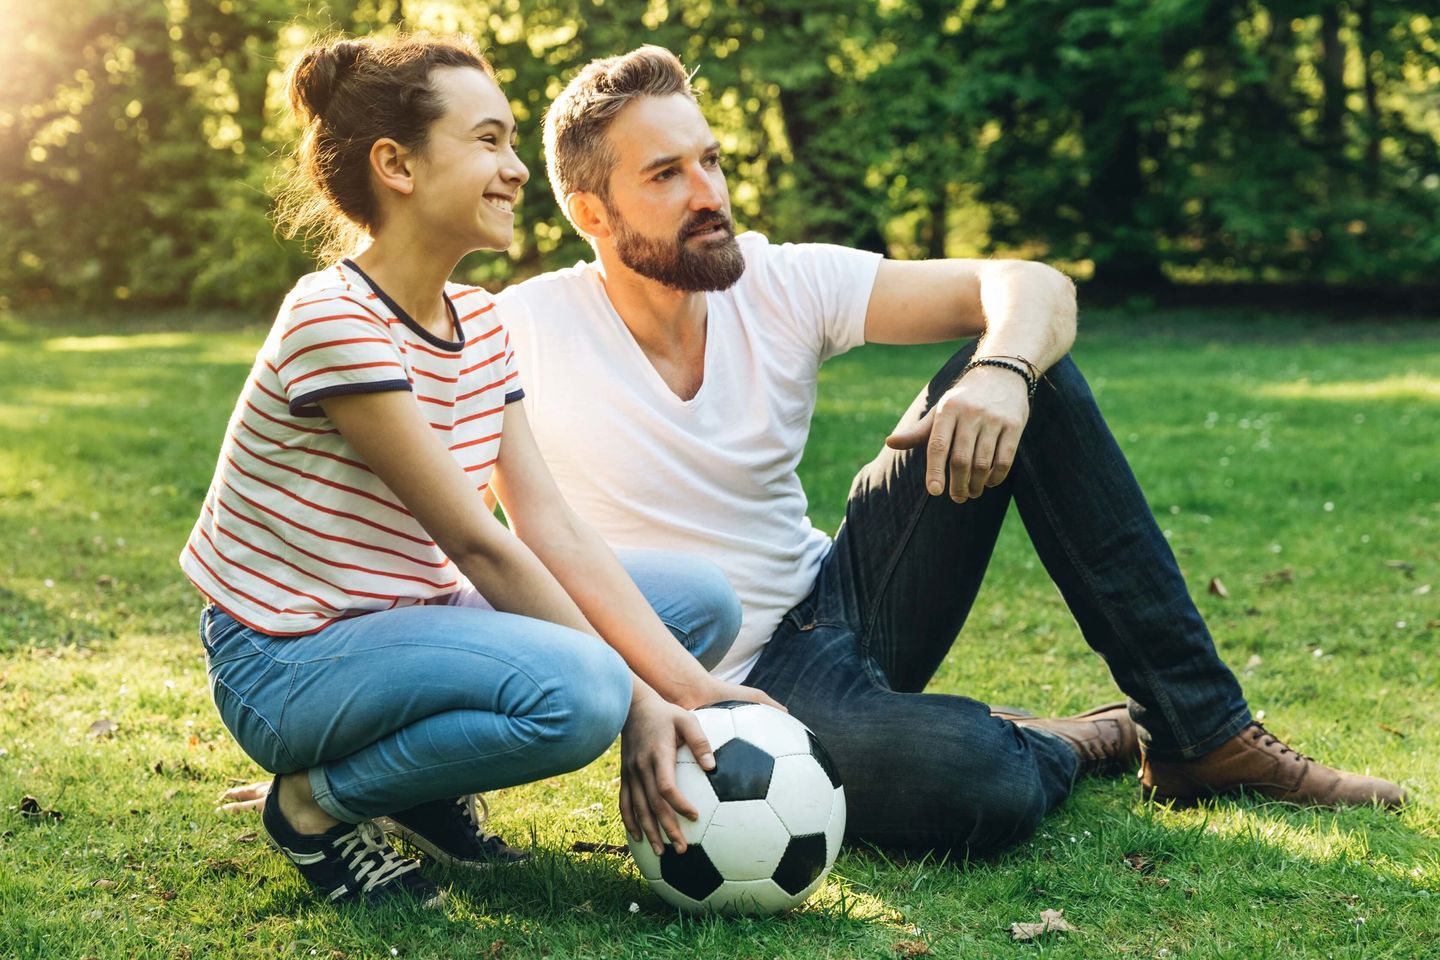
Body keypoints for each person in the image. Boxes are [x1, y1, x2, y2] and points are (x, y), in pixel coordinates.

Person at [488, 45, 1408, 858]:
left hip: (845, 600)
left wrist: (1003, 369)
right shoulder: (519, 332)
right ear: (591, 213)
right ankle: (1066, 739)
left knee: (1024, 369)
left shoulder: (777, 280)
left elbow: (1029, 283)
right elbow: (452, 520)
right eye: (667, 175)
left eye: (713, 161)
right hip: (719, 685)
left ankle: (1201, 735)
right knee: (980, 785)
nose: (711, 194)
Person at [181, 33, 779, 907]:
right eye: (488, 141)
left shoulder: (478, 321)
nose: (516, 169)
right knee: (584, 692)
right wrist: (642, 700)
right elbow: (476, 539)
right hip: (284, 660)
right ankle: (313, 806)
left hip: (405, 621)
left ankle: (416, 788)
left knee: (700, 600)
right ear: (398, 165)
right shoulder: (334, 320)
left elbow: (546, 525)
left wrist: (693, 688)